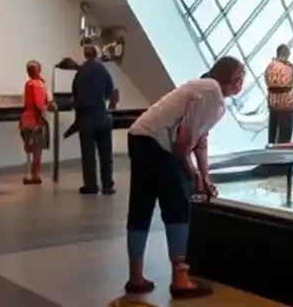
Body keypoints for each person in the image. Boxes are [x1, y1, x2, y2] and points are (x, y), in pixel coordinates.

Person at [124, 57, 244, 300]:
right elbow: (183, 143)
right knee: (178, 204)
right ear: (231, 77)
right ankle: (180, 279)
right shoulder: (212, 92)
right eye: (239, 76)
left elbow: (200, 140)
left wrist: (204, 175)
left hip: (139, 136)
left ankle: (135, 277)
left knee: (141, 206)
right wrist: (193, 175)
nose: (241, 82)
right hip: (158, 143)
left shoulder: (203, 87)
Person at [72, 43, 119, 195]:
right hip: (101, 116)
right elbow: (110, 91)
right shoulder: (103, 70)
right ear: (96, 53)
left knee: (88, 155)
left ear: (85, 55)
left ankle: (91, 186)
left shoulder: (80, 72)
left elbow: (75, 95)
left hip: (85, 118)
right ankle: (107, 185)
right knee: (106, 154)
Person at [19, 60, 51, 185]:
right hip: (35, 119)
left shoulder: (28, 84)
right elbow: (39, 104)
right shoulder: (39, 84)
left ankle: (29, 173)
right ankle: (35, 174)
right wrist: (40, 121)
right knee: (37, 149)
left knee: (29, 147)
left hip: (26, 119)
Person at [264, 44, 293, 145]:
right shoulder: (291, 68)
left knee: (272, 131)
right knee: (285, 136)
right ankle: (282, 148)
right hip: (287, 104)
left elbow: (267, 82)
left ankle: (271, 146)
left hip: (273, 102)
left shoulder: (269, 67)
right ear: (287, 54)